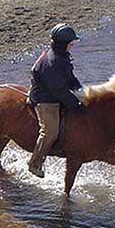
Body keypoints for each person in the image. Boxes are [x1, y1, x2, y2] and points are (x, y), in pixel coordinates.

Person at [26, 23, 84, 178]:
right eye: (71, 43)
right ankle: (35, 163)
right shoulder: (53, 62)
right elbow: (58, 90)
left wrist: (82, 92)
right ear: (63, 44)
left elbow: (70, 79)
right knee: (50, 132)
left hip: (55, 95)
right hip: (45, 100)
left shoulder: (62, 57)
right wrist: (74, 103)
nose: (72, 45)